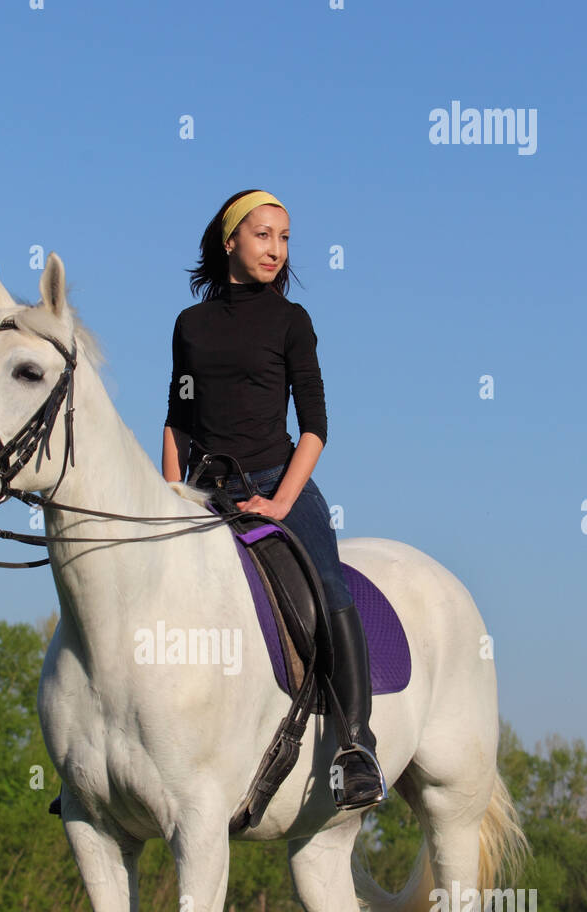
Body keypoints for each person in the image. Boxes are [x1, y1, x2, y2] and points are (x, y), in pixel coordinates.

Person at [161, 188, 386, 811]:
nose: (276, 250)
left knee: (330, 589)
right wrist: (171, 496)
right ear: (230, 240)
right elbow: (177, 420)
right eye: (264, 235)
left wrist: (283, 502)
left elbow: (314, 426)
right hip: (202, 492)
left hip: (276, 482)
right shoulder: (190, 326)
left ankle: (355, 747)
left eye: (284, 239)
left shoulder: (292, 322)